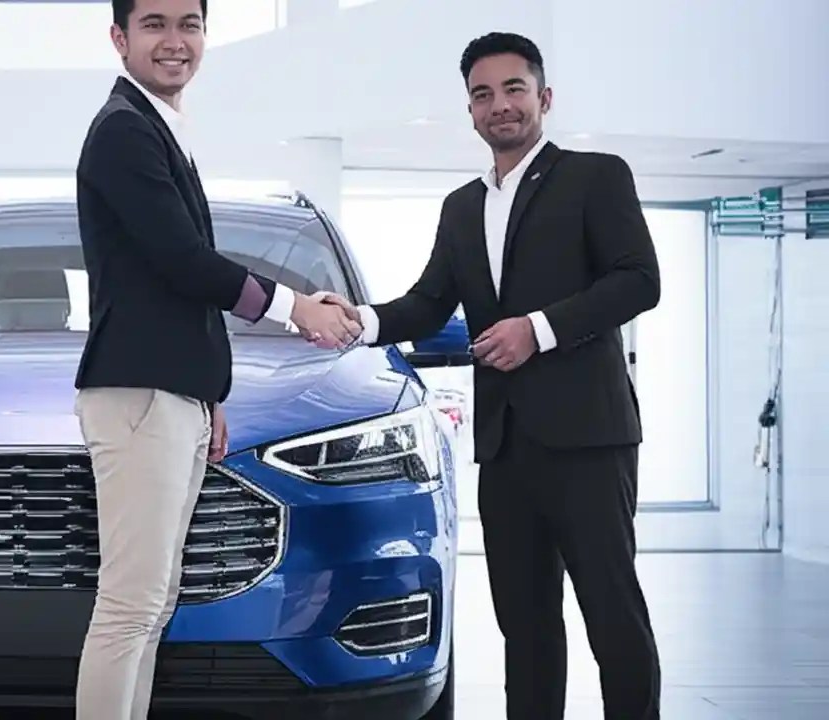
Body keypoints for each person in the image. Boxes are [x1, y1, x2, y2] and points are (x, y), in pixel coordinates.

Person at [321, 31, 662, 720]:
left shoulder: (596, 177)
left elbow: (639, 281)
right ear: (471, 112)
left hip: (590, 440)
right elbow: (426, 303)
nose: (499, 105)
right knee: (524, 624)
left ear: (544, 96)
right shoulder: (461, 206)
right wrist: (357, 318)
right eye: (483, 95)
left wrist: (536, 330)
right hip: (506, 446)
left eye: (513, 89)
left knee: (611, 613)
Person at [70, 1, 361, 718]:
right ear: (119, 38)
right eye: (155, 24)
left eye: (189, 25)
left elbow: (162, 285)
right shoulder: (123, 132)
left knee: (153, 601)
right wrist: (296, 307)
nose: (175, 42)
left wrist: (205, 394)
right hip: (139, 395)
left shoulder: (156, 127)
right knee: (131, 605)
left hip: (169, 393)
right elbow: (182, 260)